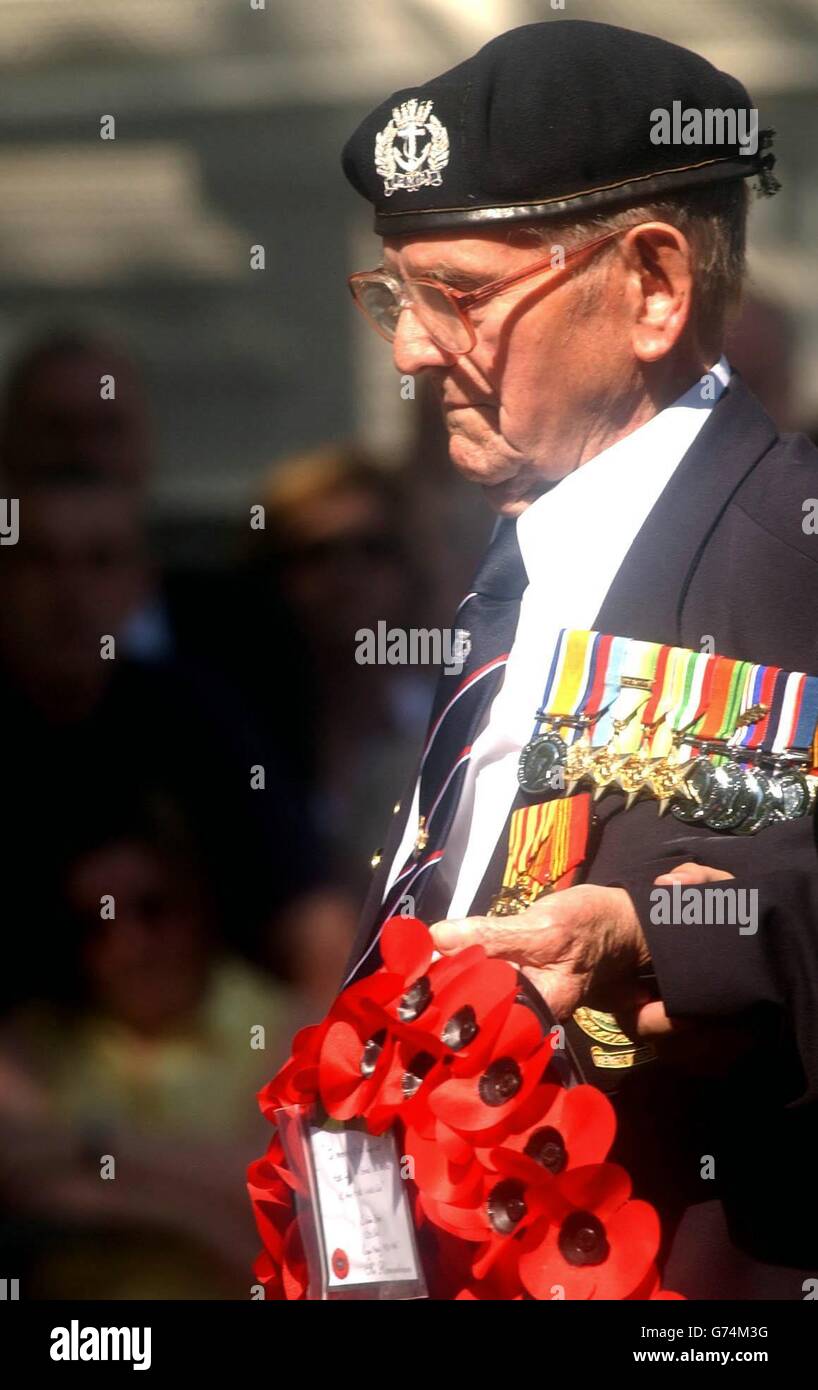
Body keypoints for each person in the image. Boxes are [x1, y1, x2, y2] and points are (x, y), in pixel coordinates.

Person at [339, 19, 818, 1298]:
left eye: (459, 295)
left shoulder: (793, 548)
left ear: (652, 284)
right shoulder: (517, 564)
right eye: (394, 294)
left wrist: (671, 933)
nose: (408, 349)